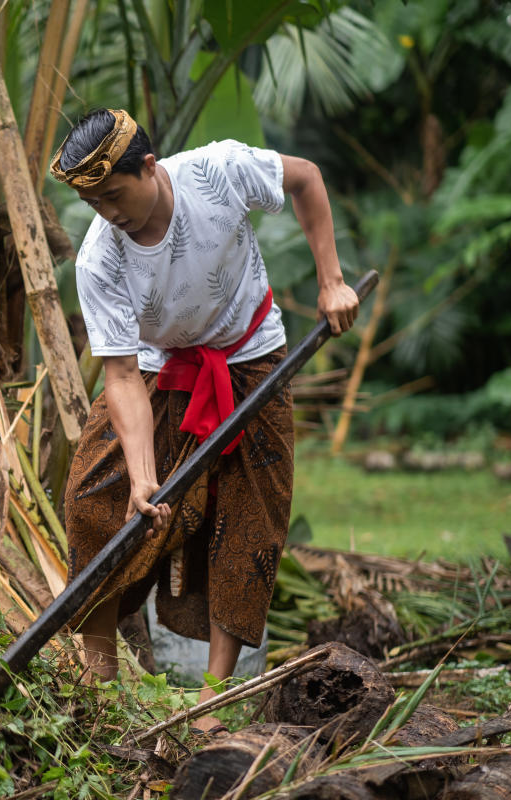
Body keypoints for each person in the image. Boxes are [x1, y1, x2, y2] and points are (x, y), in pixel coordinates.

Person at [52, 109, 358, 734]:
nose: (106, 212)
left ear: (149, 167)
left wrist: (332, 282)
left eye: (113, 195)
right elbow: (118, 377)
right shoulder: (97, 261)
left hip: (251, 357)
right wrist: (142, 477)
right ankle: (98, 683)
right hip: (158, 367)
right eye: (91, 202)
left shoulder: (218, 170)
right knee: (92, 496)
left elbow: (306, 178)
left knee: (252, 520)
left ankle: (212, 702)